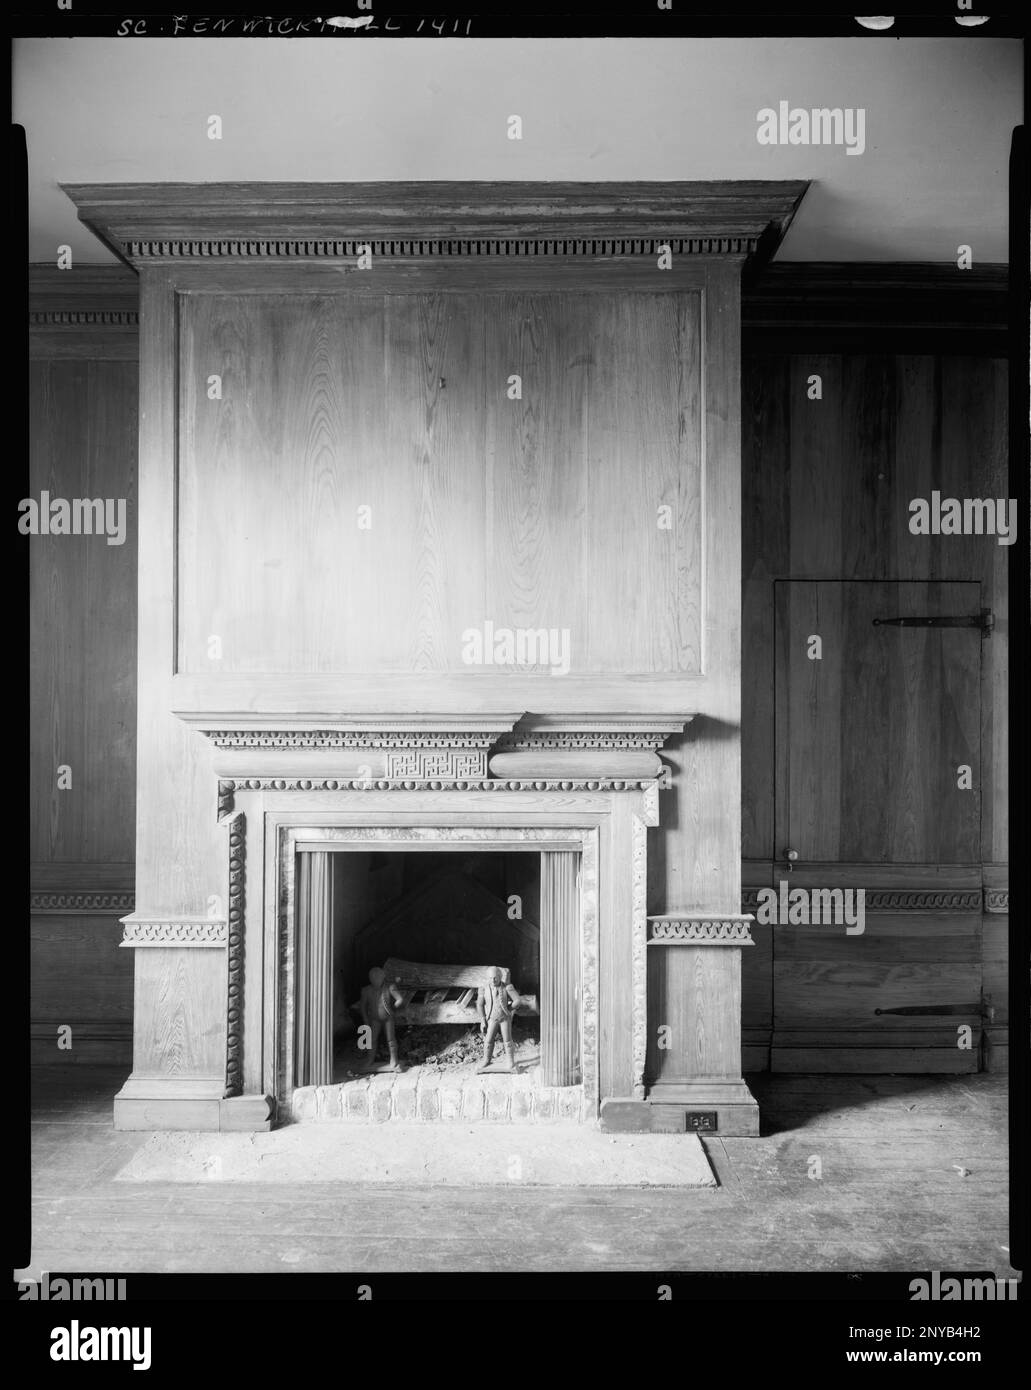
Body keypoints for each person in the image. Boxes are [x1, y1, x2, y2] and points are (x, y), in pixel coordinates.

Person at [358, 966, 405, 1071]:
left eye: (378, 977)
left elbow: (400, 999)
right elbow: (363, 1007)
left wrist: (393, 1007)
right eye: (373, 977)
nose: (375, 979)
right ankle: (370, 1059)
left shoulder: (390, 987)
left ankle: (394, 1059)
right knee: (371, 1040)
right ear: (370, 978)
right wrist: (366, 1021)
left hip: (388, 1018)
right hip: (374, 1020)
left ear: (383, 976)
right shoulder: (366, 990)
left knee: (391, 1039)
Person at [476, 967, 521, 1073]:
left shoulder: (507, 987)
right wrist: (483, 1019)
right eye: (490, 978)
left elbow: (518, 1000)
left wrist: (508, 1009)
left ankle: (510, 1060)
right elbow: (479, 1004)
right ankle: (486, 1059)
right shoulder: (484, 989)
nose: (493, 980)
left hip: (504, 1018)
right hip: (492, 1019)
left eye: (495, 978)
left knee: (507, 1039)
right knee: (488, 1040)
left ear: (500, 977)